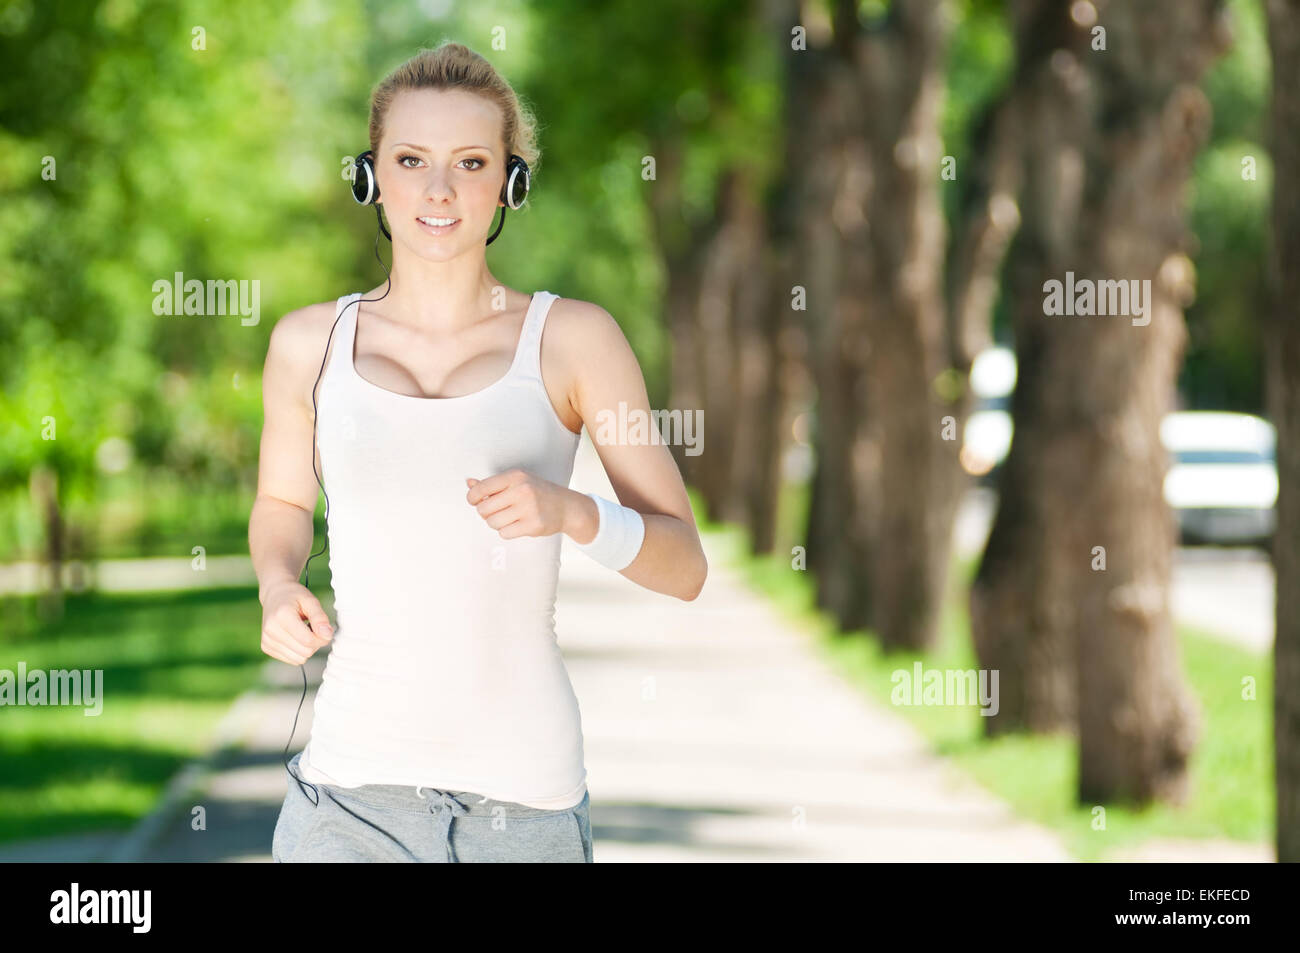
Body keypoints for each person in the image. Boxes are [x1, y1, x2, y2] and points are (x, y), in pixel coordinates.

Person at [248, 42, 708, 863]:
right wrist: (279, 584)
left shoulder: (574, 341)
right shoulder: (308, 345)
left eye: (470, 162)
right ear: (370, 177)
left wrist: (572, 512)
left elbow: (685, 564)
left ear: (511, 183)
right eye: (410, 159)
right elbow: (283, 503)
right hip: (348, 801)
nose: (437, 189)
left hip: (524, 806)